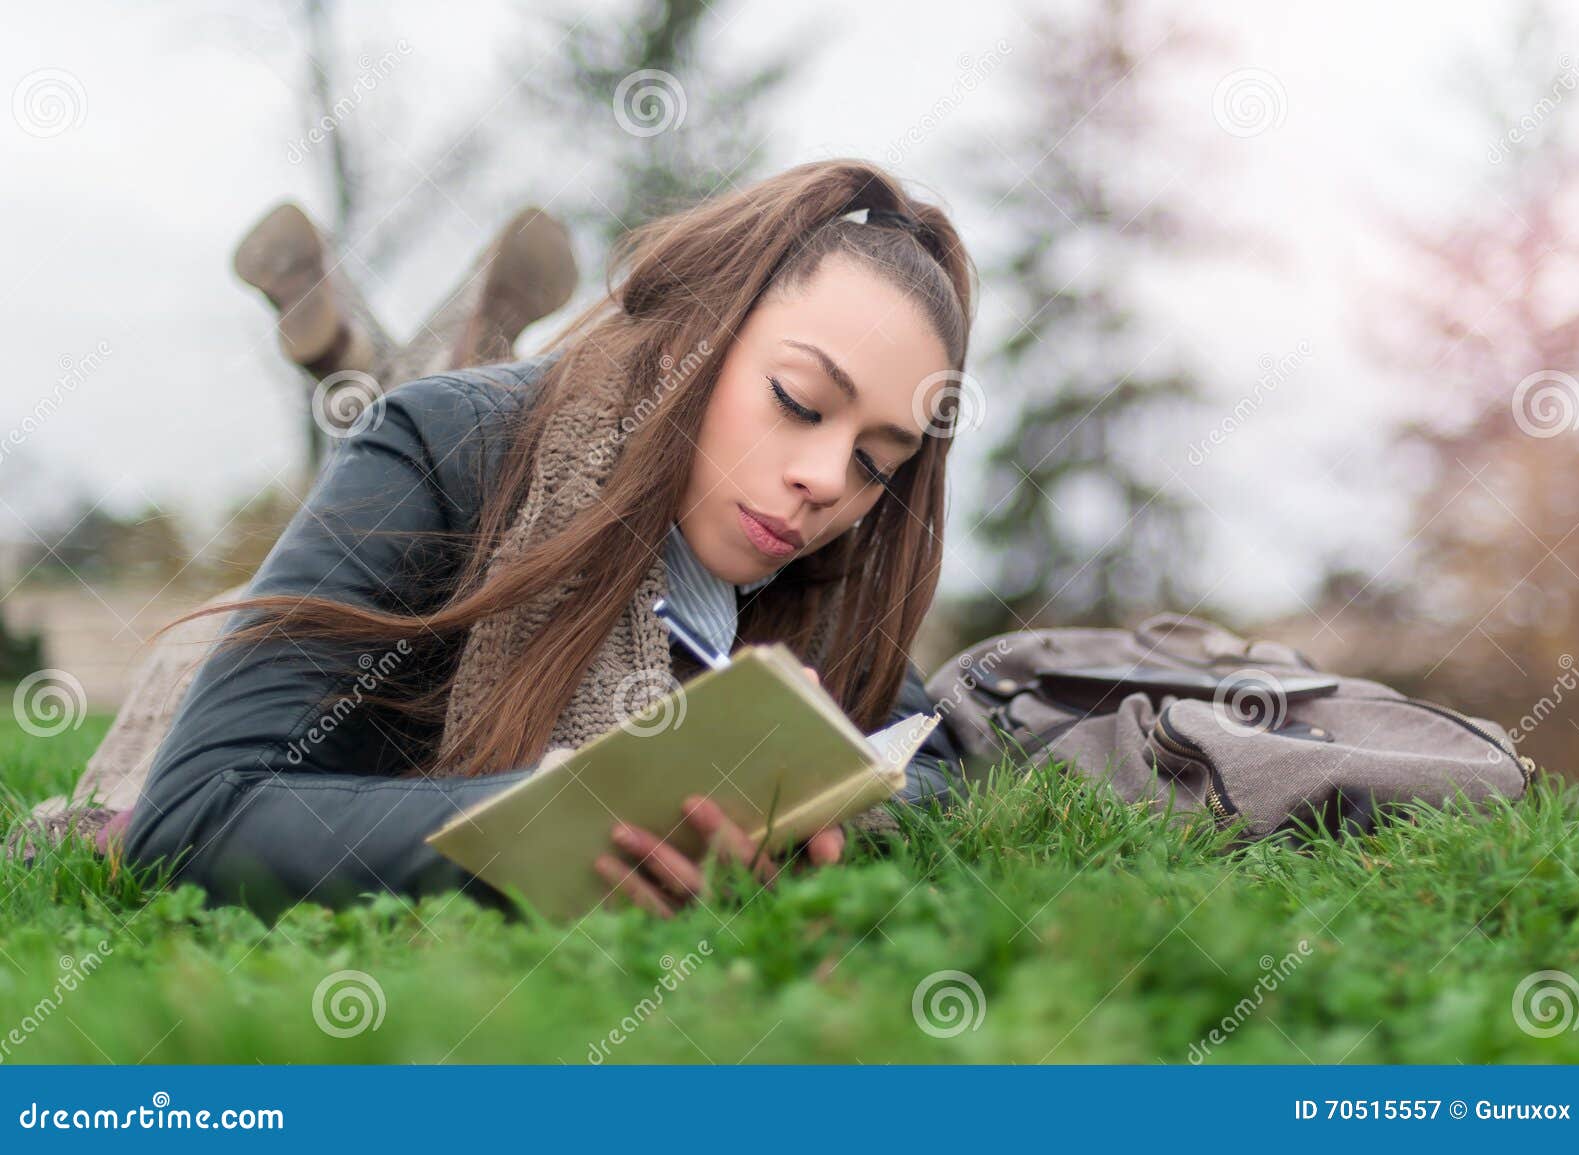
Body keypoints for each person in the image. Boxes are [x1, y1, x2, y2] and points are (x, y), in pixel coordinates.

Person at [113, 158, 976, 920]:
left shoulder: (808, 565)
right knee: (446, 402)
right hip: (261, 630)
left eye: (874, 460)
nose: (827, 480)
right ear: (696, 337)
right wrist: (547, 819)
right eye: (797, 402)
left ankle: (392, 346)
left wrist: (834, 814)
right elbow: (195, 814)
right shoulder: (438, 446)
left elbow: (920, 754)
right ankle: (414, 351)